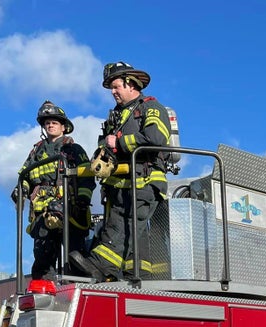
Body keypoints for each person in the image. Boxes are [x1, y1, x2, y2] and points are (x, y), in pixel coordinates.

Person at [70, 61, 171, 281]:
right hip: (120, 186)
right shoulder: (115, 117)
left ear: (131, 84)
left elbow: (155, 139)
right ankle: (136, 272)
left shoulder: (151, 108)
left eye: (116, 87)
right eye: (111, 89)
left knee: (121, 225)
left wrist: (119, 143)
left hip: (144, 182)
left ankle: (102, 264)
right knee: (134, 232)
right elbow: (105, 144)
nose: (113, 92)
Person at [14, 100, 95, 280]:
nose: (50, 125)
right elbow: (24, 176)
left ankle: (76, 286)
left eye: (54, 122)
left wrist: (83, 199)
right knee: (43, 258)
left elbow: (87, 175)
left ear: (63, 127)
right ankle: (44, 292)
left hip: (70, 209)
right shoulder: (36, 152)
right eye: (47, 123)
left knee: (74, 256)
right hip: (42, 213)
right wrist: (21, 190)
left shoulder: (73, 149)